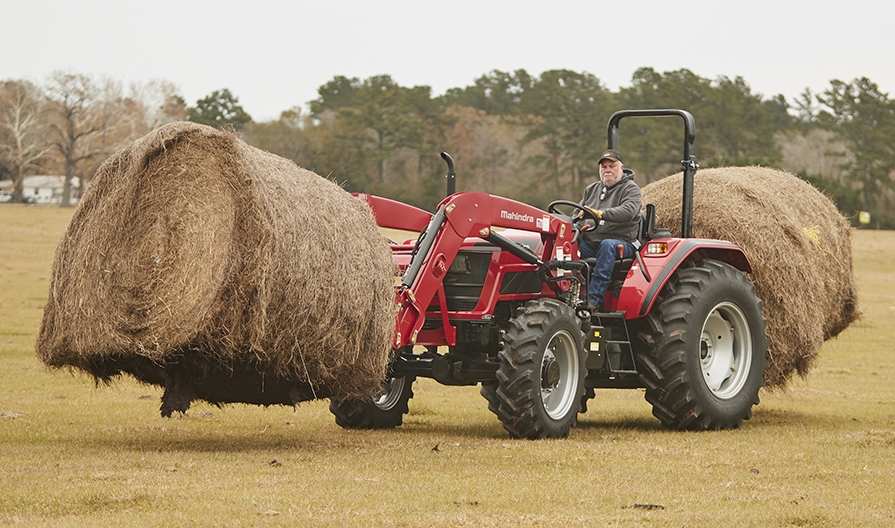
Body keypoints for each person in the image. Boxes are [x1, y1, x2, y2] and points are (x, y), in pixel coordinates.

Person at [577, 149, 642, 311]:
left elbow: (628, 211)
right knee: (569, 245)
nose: (607, 169)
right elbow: (578, 213)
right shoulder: (591, 190)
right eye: (603, 167)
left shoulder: (630, 189)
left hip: (623, 242)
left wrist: (601, 214)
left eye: (612, 166)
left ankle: (593, 302)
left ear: (621, 167)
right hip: (592, 242)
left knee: (607, 245)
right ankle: (571, 295)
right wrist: (576, 228)